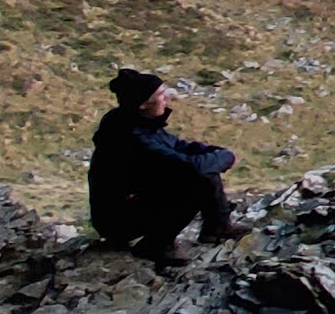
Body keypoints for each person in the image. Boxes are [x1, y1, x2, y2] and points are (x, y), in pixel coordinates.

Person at [88, 68, 241, 263]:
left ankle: (217, 228)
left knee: (203, 168)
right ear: (143, 104)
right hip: (117, 219)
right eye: (160, 94)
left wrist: (216, 152)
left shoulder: (139, 122)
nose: (167, 98)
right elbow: (190, 167)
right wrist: (224, 157)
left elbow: (180, 147)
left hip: (134, 203)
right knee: (197, 177)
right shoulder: (132, 137)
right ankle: (156, 245)